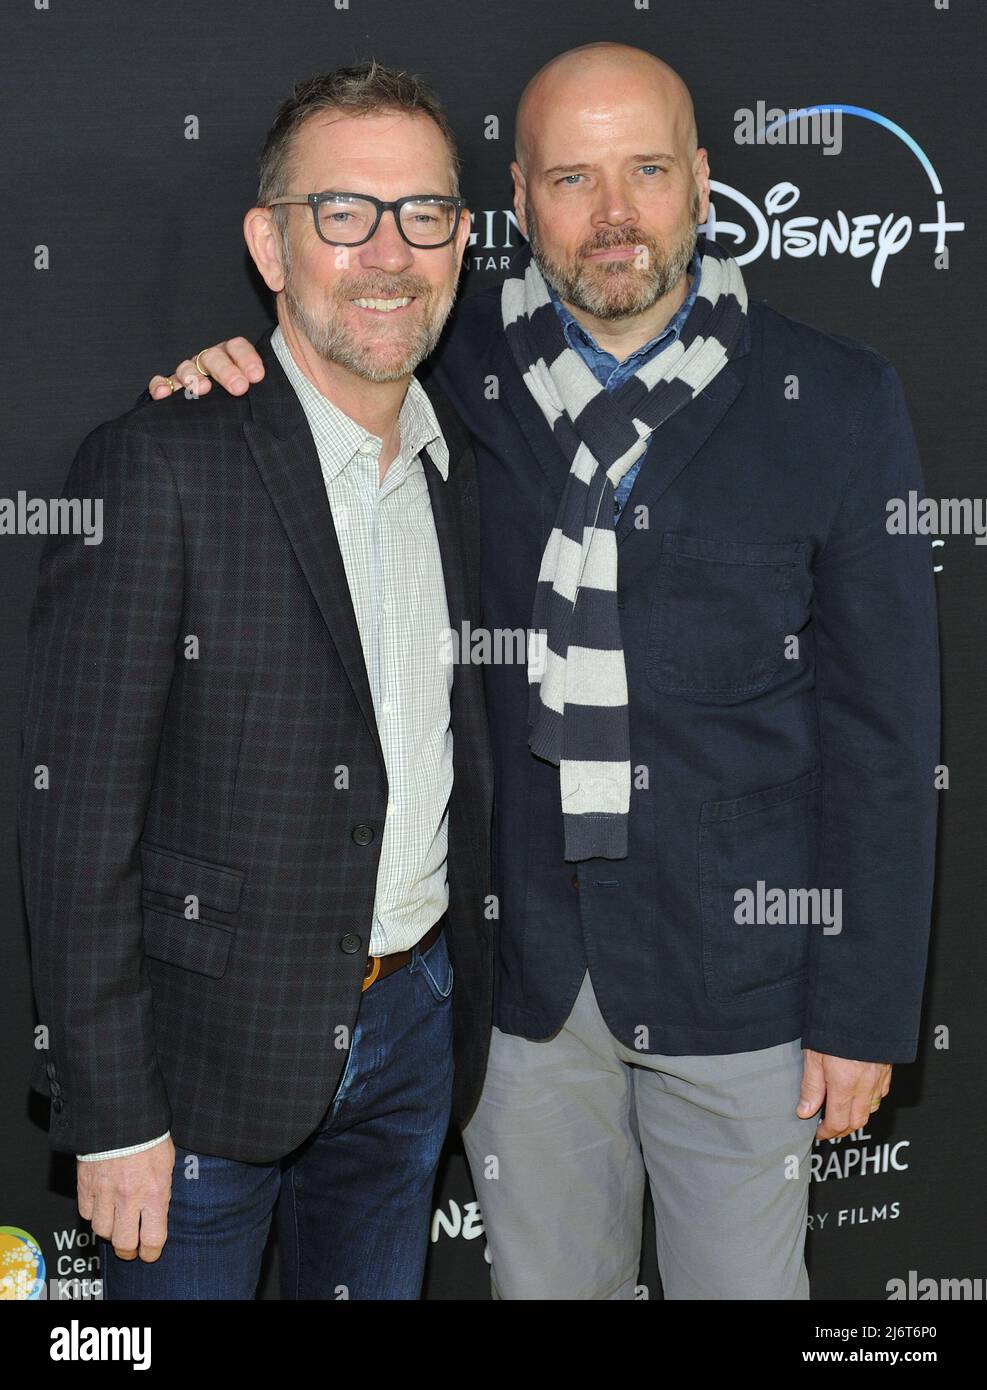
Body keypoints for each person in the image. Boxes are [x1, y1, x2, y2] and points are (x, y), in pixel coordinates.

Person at [148, 43, 940, 1300]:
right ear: (518, 202)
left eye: (646, 171)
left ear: (703, 183)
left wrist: (864, 1010)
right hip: (525, 991)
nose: (613, 213)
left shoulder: (835, 400)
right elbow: (320, 371)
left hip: (746, 988)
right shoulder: (448, 377)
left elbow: (889, 740)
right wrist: (224, 377)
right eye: (572, 177)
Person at [19, 62, 493, 1301]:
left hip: (414, 1033)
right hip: (200, 1073)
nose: (388, 251)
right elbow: (75, 823)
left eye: (424, 214)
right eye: (343, 212)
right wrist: (112, 1112)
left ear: (462, 240)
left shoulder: (463, 471)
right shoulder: (158, 463)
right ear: (269, 245)